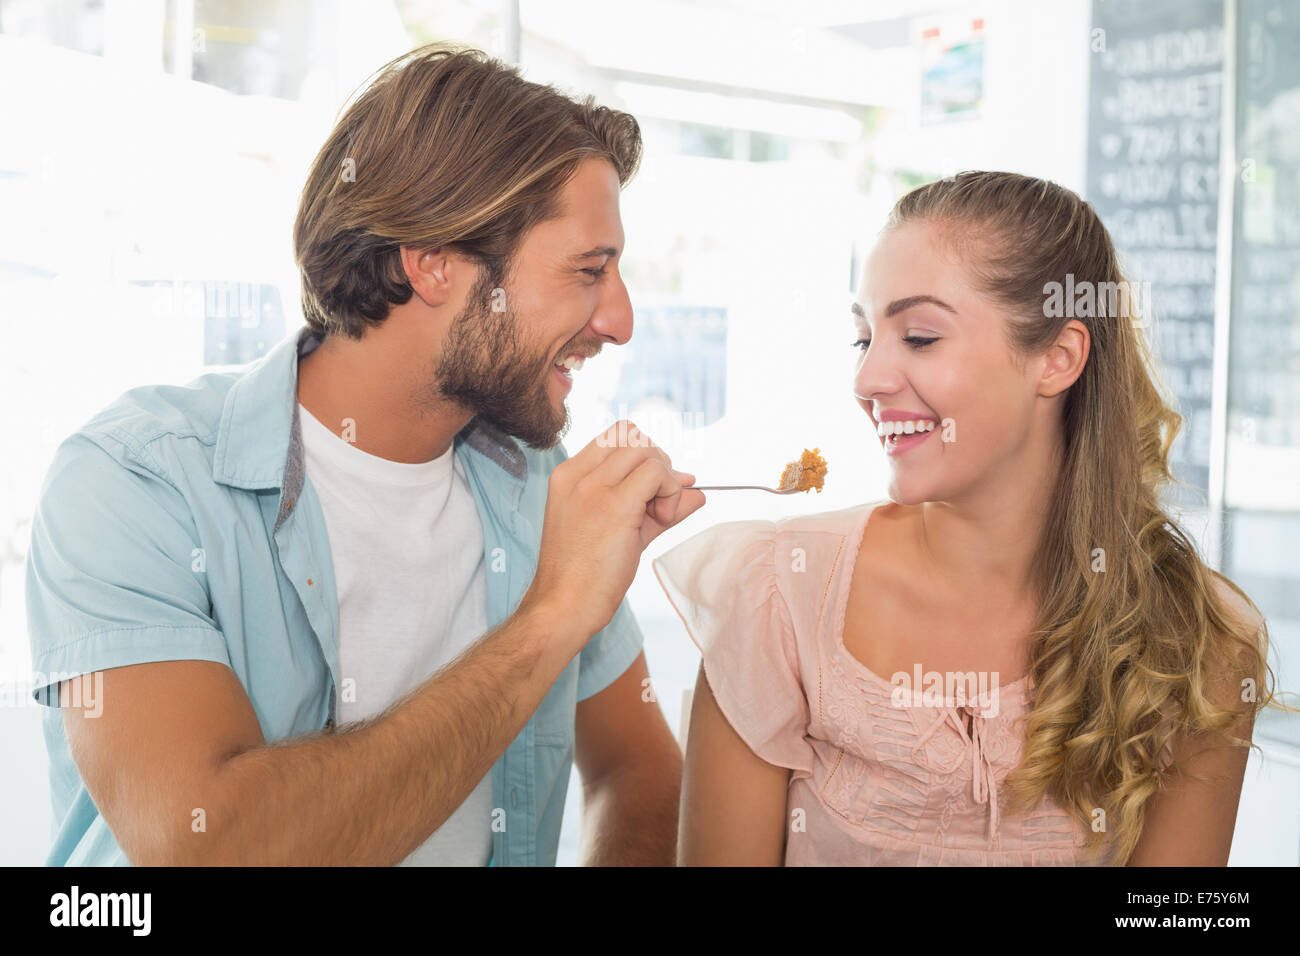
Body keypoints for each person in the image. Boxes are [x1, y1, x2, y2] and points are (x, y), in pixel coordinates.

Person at [25, 45, 704, 866]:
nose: (621, 320)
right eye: (588, 272)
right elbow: (214, 846)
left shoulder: (539, 485)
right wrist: (550, 618)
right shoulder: (134, 484)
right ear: (435, 264)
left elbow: (641, 769)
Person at [654, 170, 1289, 866]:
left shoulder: (1202, 644)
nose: (867, 381)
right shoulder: (774, 592)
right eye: (865, 340)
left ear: (1058, 358)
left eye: (920, 337)